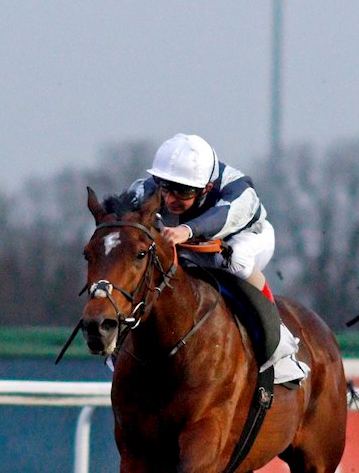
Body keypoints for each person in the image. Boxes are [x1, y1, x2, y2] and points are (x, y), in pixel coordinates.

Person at [129, 133, 306, 384]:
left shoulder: (238, 189)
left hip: (244, 239)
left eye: (182, 192)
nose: (170, 199)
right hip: (191, 247)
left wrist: (185, 231)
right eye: (165, 187)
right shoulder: (147, 188)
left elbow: (222, 217)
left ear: (206, 188)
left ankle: (279, 342)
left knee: (238, 260)